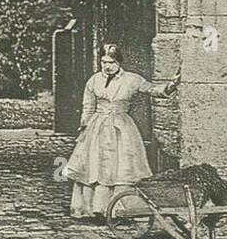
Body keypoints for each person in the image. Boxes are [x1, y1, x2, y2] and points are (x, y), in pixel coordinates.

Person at [64, 43, 180, 219]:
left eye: (111, 62)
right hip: (97, 128)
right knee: (95, 166)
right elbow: (88, 107)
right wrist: (84, 127)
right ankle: (93, 209)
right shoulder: (94, 80)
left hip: (121, 127)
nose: (107, 66)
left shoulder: (132, 80)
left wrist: (171, 85)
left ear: (118, 62)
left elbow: (153, 90)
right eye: (104, 62)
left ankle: (119, 209)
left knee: (120, 167)